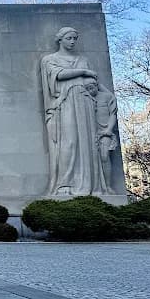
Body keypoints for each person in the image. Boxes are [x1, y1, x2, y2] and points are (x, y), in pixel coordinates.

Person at [40, 27, 106, 195]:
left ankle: (92, 184)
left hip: (85, 103)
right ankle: (65, 184)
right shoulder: (50, 59)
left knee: (88, 143)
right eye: (69, 38)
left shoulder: (83, 59)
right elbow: (58, 75)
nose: (72, 41)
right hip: (65, 103)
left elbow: (94, 82)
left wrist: (107, 97)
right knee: (68, 142)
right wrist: (83, 72)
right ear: (60, 39)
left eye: (75, 38)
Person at [85, 78, 119, 191]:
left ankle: (108, 186)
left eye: (91, 88)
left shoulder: (107, 97)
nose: (90, 91)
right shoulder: (86, 100)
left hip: (105, 132)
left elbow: (113, 114)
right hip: (92, 132)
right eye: (87, 89)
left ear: (96, 86)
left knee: (104, 156)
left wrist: (109, 129)